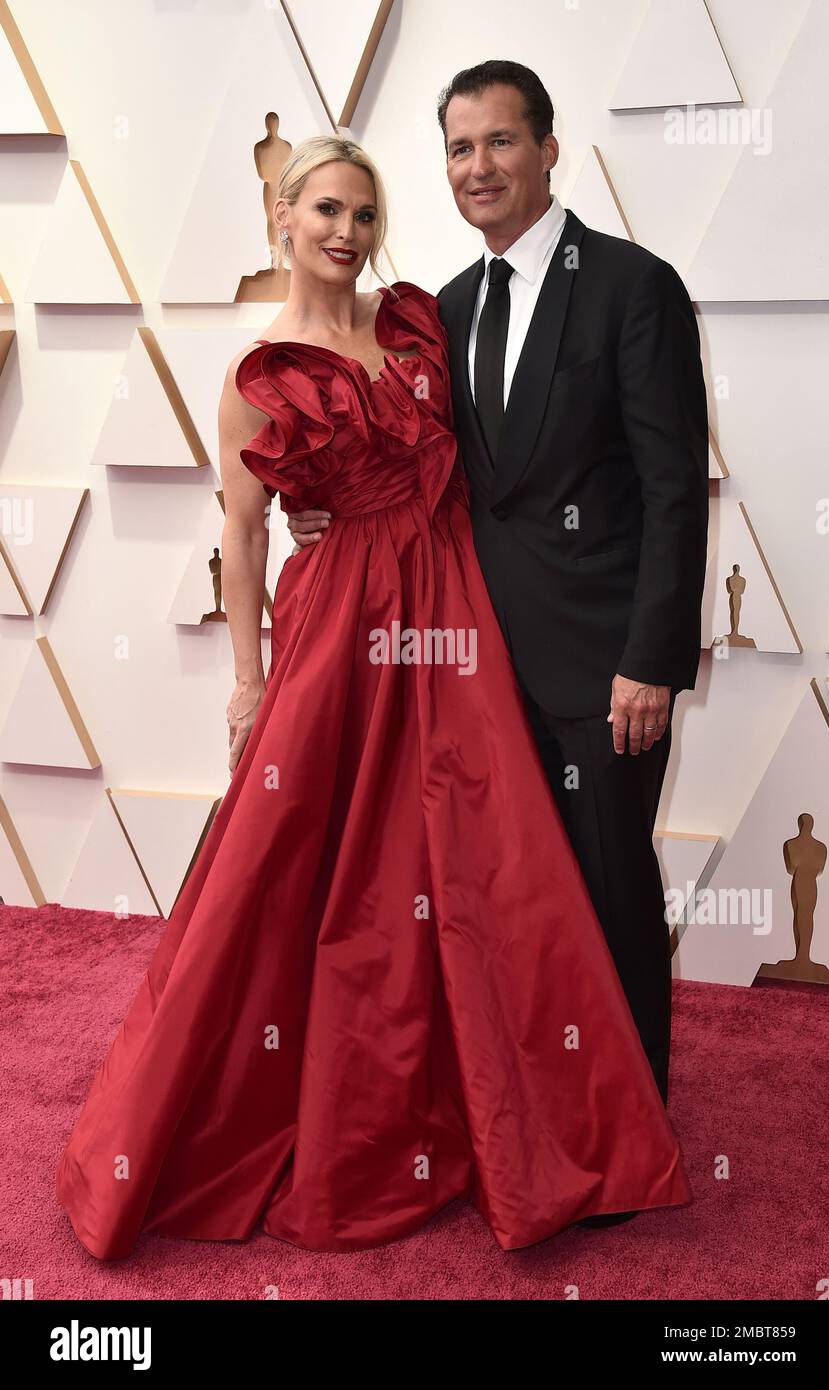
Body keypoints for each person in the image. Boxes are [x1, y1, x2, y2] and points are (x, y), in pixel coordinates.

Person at [55, 134, 692, 1261]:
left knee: (475, 858)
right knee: (314, 863)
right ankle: (297, 1113)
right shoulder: (257, 372)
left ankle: (500, 1109)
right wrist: (250, 679)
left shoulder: (415, 322)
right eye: (327, 213)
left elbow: (491, 453)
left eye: (364, 214)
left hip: (451, 611)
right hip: (344, 625)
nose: (347, 234)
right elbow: (244, 532)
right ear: (282, 218)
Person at [288, 64, 709, 1140]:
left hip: (606, 669)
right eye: (460, 149)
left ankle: (631, 1136)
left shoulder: (631, 285)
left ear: (549, 148)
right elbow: (424, 470)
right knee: (516, 911)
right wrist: (321, 512)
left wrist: (652, 658)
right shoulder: (447, 308)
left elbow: (674, 488)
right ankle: (538, 1122)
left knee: (611, 901)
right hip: (475, 669)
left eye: (501, 142)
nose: (479, 167)